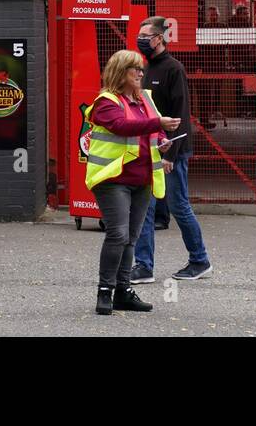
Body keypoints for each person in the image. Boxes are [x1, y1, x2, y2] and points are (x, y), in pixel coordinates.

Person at [85, 50, 179, 316]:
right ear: (120, 72)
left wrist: (162, 138)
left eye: (141, 69)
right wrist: (157, 124)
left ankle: (123, 292)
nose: (140, 73)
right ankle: (105, 292)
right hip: (113, 178)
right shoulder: (106, 101)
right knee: (118, 234)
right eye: (134, 69)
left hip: (142, 178)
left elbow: (155, 130)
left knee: (131, 238)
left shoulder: (145, 98)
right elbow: (121, 126)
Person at [130, 16, 212, 284]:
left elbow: (181, 116)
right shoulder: (145, 69)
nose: (141, 40)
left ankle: (199, 260)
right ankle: (143, 266)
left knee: (178, 205)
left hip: (171, 150)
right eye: (139, 36)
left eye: (145, 36)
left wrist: (170, 155)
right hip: (150, 147)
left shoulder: (173, 69)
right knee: (145, 207)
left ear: (159, 39)